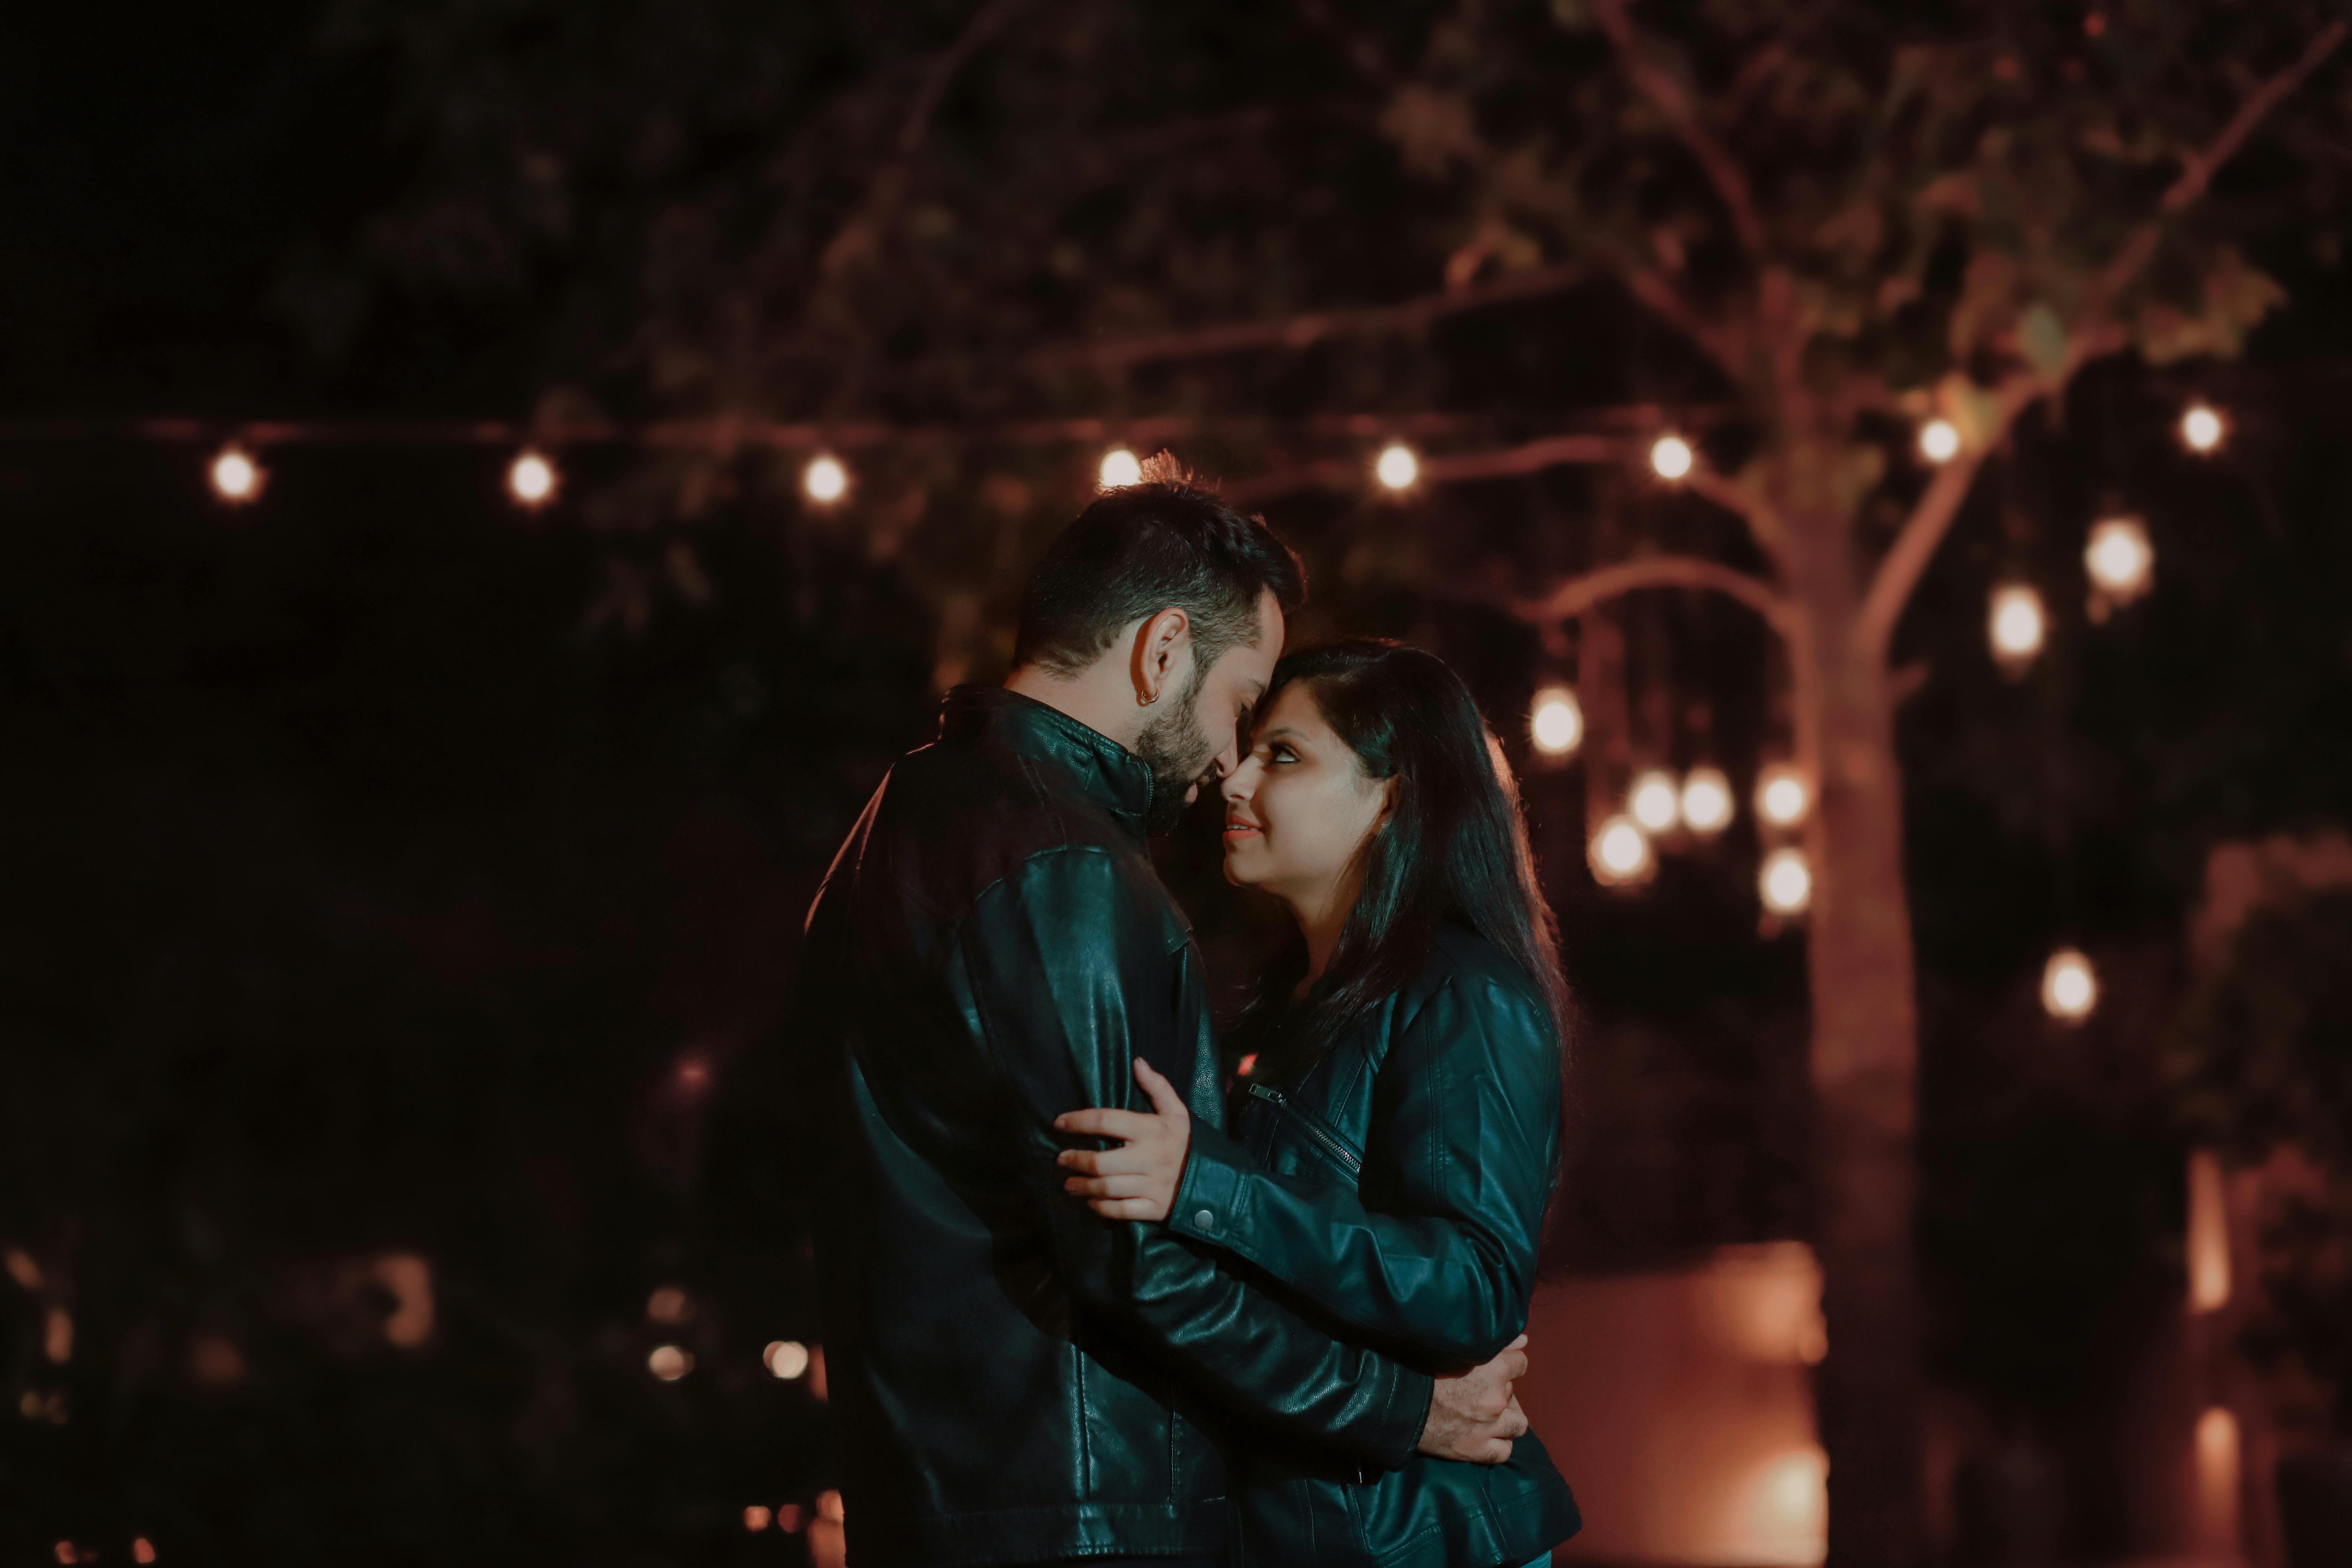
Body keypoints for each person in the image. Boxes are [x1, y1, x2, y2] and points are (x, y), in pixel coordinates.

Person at [791, 477, 1532, 1568]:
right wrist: (1405, 1412)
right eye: (1240, 705)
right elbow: (1140, 1258)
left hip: (955, 1499)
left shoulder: (895, 823)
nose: (1229, 761)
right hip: (1088, 1510)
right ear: (1163, 648)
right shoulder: (1064, 868)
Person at [1052, 639, 1582, 1568]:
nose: (1235, 777)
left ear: (1393, 796)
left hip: (1417, 1538)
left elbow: (1473, 1286)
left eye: (1284, 755)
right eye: (1251, 748)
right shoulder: (1287, 1006)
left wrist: (1209, 1185)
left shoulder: (1466, 993)